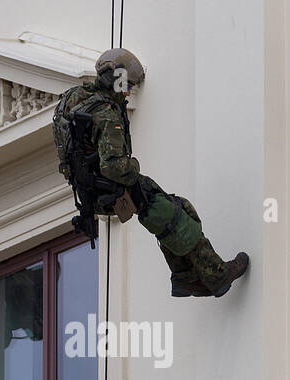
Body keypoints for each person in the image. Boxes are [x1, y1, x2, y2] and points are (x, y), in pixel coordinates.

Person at [53, 49, 248, 298]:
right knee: (176, 214)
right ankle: (217, 273)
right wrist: (133, 166)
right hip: (112, 187)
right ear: (115, 78)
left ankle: (184, 278)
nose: (126, 92)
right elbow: (114, 166)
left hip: (91, 190)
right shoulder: (106, 113)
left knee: (165, 214)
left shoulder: (76, 99)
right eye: (126, 85)